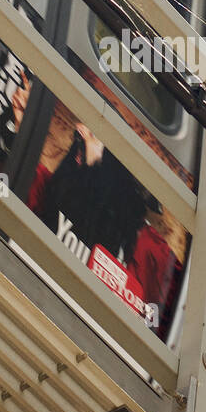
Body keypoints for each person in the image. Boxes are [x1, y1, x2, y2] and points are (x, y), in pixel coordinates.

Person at [27, 121, 181, 338]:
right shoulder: (50, 189)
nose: (80, 131)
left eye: (94, 133)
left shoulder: (147, 249)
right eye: (82, 129)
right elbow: (8, 190)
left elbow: (174, 322)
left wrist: (139, 317)